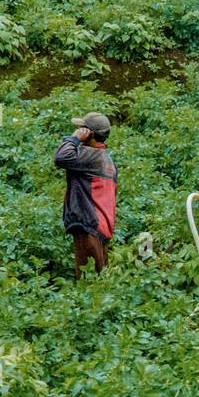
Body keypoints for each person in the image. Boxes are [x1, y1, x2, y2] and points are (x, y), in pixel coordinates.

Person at [54, 112, 117, 277]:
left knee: (88, 283)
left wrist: (74, 139)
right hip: (100, 227)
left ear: (90, 134)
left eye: (82, 128)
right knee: (99, 280)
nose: (79, 130)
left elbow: (61, 158)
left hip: (89, 225)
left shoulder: (91, 156)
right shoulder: (105, 158)